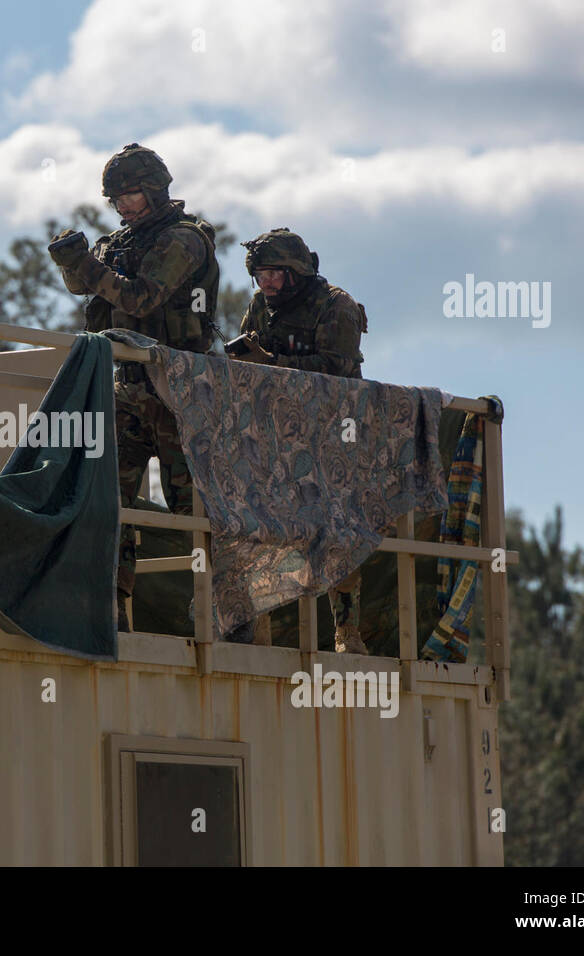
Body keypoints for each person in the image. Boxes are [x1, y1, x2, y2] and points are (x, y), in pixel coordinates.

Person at [48, 143, 219, 631]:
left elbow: (142, 298)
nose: (123, 205)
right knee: (109, 499)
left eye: (132, 195)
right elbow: (85, 288)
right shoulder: (117, 242)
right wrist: (73, 261)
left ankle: (218, 608)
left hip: (180, 389)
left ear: (156, 190)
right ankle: (112, 606)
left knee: (192, 506)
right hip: (128, 387)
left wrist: (89, 267)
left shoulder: (183, 240)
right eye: (116, 197)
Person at [234, 228, 371, 653]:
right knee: (264, 530)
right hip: (276, 434)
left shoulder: (336, 305)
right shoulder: (261, 305)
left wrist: (273, 363)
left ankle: (346, 631)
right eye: (259, 274)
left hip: (333, 432)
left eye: (274, 273)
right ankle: (260, 630)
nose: (266, 283)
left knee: (336, 532)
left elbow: (336, 368)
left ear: (295, 271)